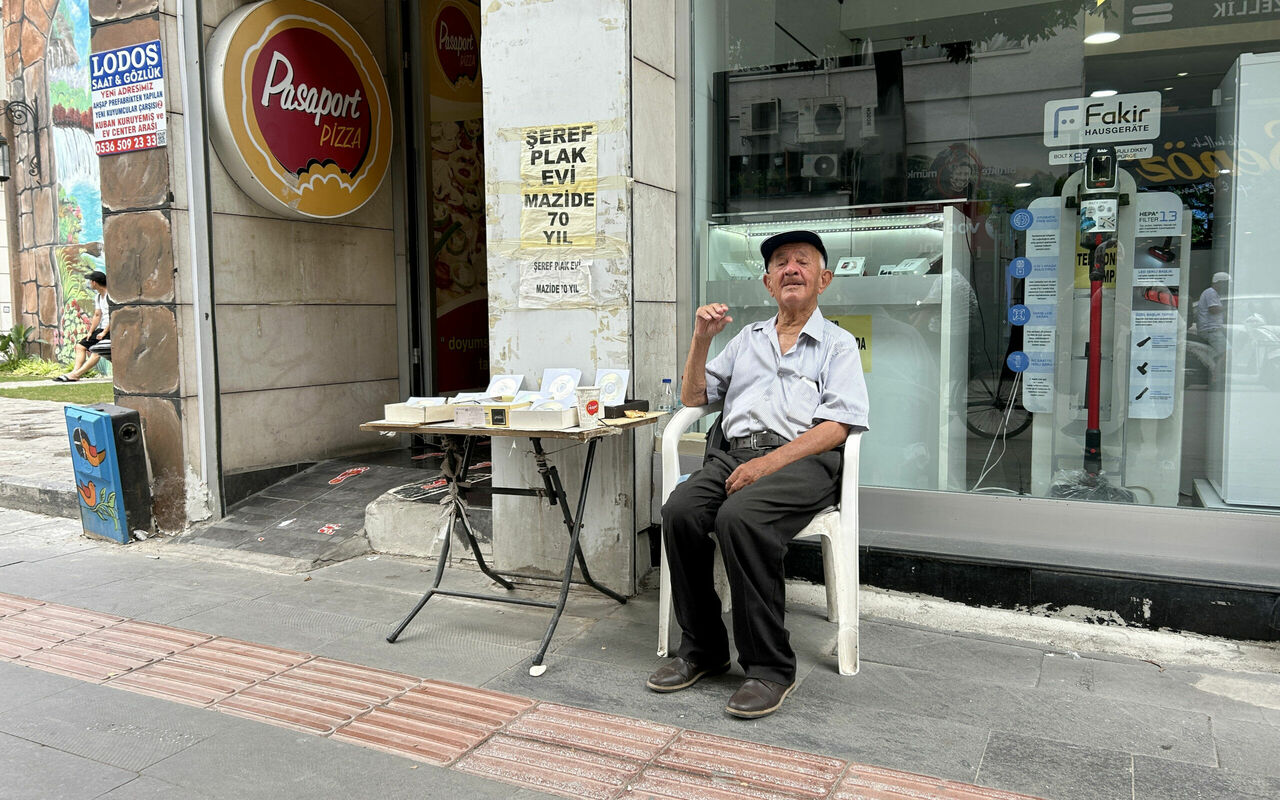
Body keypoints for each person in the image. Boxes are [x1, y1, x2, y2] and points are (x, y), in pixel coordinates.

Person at [648, 230, 869, 718]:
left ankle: (769, 668)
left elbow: (839, 424)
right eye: (780, 263)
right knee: (679, 512)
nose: (791, 268)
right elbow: (693, 398)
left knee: (740, 518)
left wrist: (767, 463)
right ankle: (703, 649)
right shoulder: (747, 339)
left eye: (802, 262)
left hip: (802, 460)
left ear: (823, 279)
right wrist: (701, 340)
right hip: (733, 455)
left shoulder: (837, 345)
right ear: (768, 283)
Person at [54, 271, 109, 383]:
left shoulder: (111, 296)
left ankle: (76, 374)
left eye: (90, 281)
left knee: (97, 351)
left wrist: (104, 333)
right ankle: (75, 373)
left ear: (94, 282)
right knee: (80, 346)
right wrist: (90, 332)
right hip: (102, 328)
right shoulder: (98, 297)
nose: (89, 283)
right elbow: (97, 315)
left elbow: (115, 316)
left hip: (112, 329)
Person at [1194, 271, 1230, 360]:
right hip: (1211, 330)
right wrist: (1228, 307)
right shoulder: (1211, 293)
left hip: (1212, 329)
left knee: (1221, 354)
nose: (1227, 286)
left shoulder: (1213, 293)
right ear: (1219, 282)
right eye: (1225, 283)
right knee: (1227, 353)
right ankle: (1217, 373)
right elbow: (1213, 310)